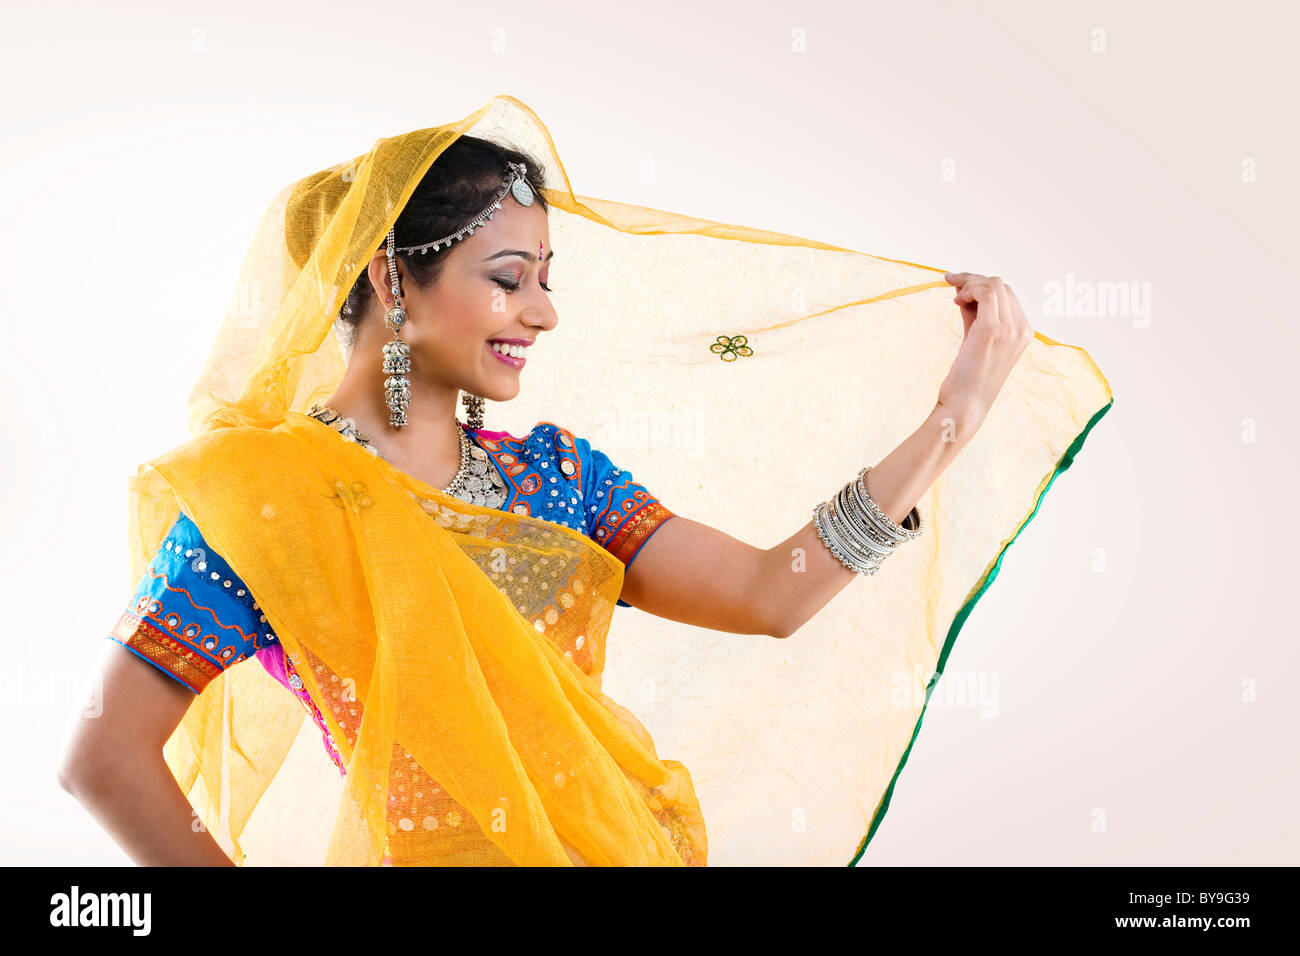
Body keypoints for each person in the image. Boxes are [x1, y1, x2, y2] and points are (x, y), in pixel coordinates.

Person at [57, 95, 1113, 866]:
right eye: (508, 279)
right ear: (390, 276)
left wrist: (954, 417)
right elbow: (106, 757)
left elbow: (767, 590)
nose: (543, 314)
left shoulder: (554, 480)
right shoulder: (271, 505)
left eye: (547, 281)